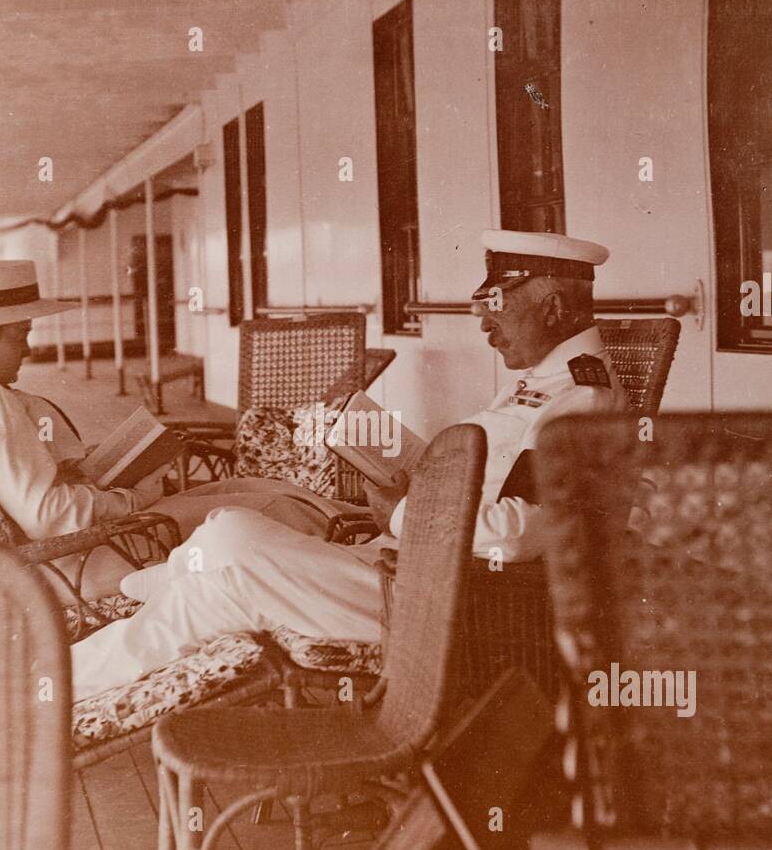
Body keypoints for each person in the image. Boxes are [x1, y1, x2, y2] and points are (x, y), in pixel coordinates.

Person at [71, 230, 628, 698]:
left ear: (553, 308)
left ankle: (54, 685)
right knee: (228, 529)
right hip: (408, 568)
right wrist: (415, 481)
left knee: (225, 586)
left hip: (446, 599)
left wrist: (401, 512)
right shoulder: (541, 385)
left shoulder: (582, 401)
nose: (487, 328)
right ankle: (140, 602)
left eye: (499, 311)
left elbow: (517, 535)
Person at [0, 259, 344, 600]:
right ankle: (346, 580)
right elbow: (50, 517)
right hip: (87, 562)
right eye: (20, 334)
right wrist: (136, 496)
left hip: (87, 550)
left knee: (251, 485)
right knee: (266, 509)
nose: (28, 348)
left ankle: (350, 545)